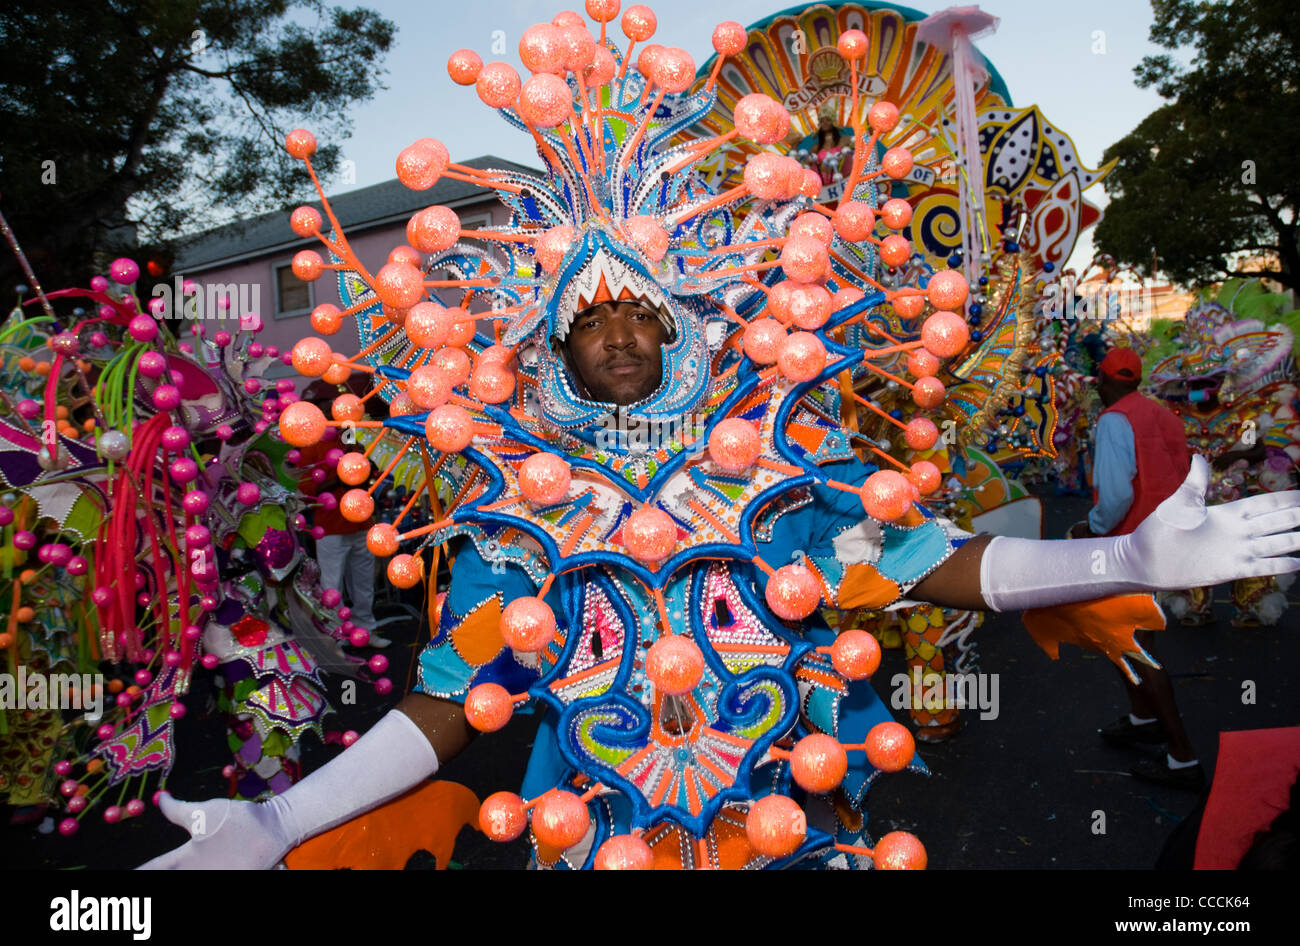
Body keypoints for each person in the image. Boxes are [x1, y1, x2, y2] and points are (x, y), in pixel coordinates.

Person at [137, 10, 1300, 870]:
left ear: (684, 325)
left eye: (643, 314)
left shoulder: (769, 460)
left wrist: (1127, 563)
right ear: (550, 352)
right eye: (591, 324)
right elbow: (453, 701)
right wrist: (279, 823)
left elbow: (933, 563)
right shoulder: (515, 509)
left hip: (793, 835)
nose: (621, 338)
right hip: (595, 845)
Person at [1068, 348, 1202, 789]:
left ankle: (1182, 757)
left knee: (1134, 644)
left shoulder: (1113, 421)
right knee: (1120, 638)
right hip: (1167, 538)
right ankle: (1144, 718)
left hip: (1130, 543)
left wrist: (1091, 527)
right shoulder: (1163, 416)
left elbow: (1118, 495)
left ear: (1106, 382)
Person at [296, 382, 389, 649]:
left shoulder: (352, 434)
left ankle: (366, 629)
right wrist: (342, 474)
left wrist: (362, 461)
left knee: (364, 584)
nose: (337, 410)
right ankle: (334, 637)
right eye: (329, 405)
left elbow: (373, 471)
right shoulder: (311, 443)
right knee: (332, 588)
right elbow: (307, 490)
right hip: (331, 528)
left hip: (363, 521)